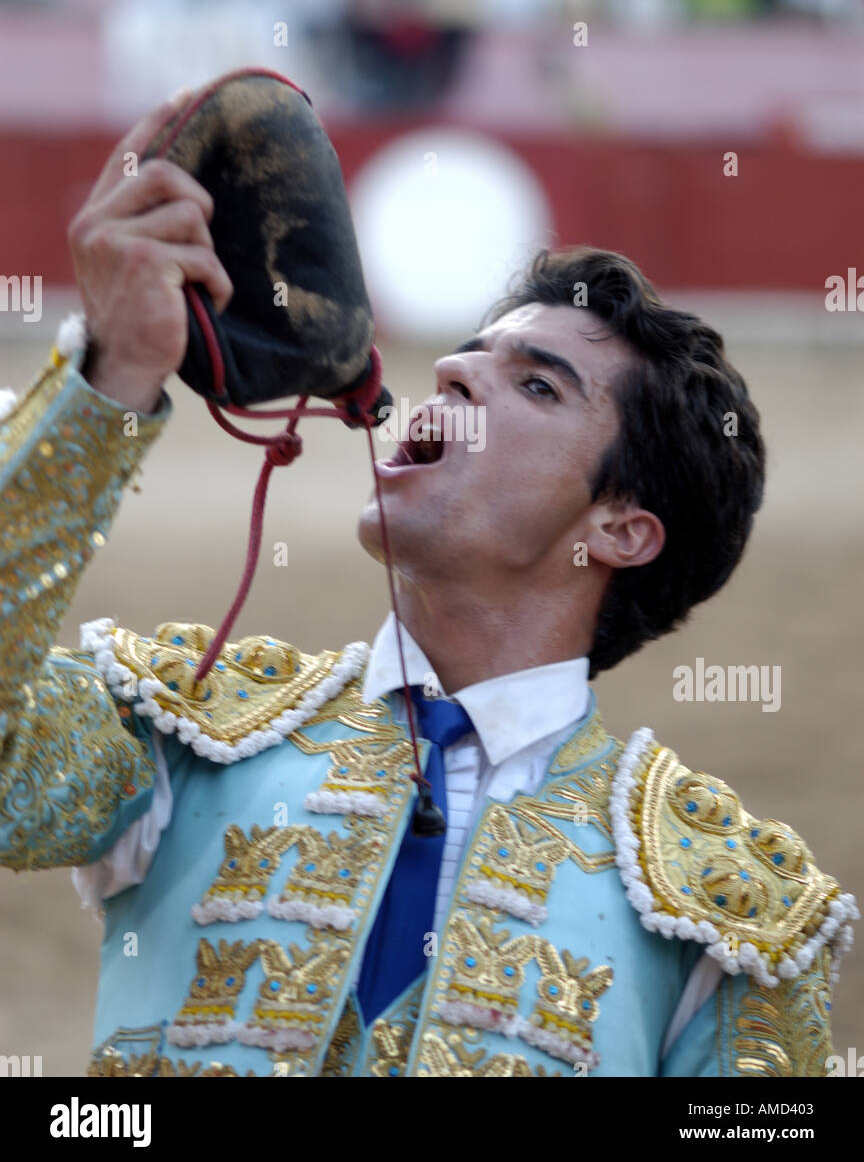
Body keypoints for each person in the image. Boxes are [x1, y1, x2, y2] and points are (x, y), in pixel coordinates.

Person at [0, 93, 856, 1078]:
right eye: (471, 355)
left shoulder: (730, 913)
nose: (450, 372)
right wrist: (108, 379)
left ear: (620, 528)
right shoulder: (180, 729)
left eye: (537, 385)